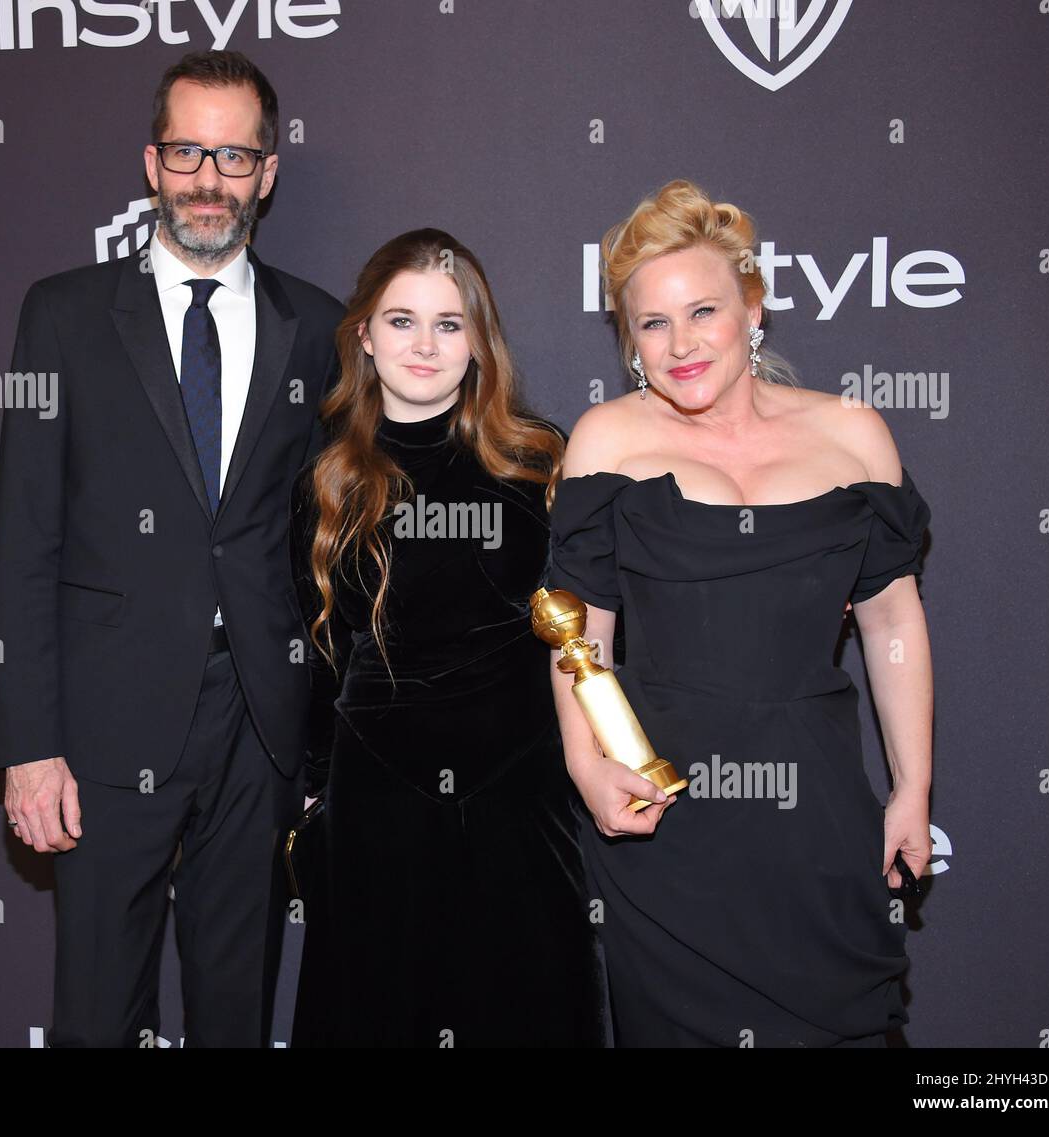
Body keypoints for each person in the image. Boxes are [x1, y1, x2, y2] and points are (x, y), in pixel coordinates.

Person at [0, 50, 344, 1047]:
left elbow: (323, 547)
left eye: (234, 156)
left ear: (267, 174)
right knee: (98, 1011)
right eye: (188, 150)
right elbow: (23, 537)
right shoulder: (60, 315)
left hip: (256, 721)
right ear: (152, 162)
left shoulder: (316, 328)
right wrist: (26, 746)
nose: (208, 178)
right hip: (101, 727)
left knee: (237, 1005)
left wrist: (317, 735)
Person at [546, 179, 934, 1047]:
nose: (680, 344)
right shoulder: (606, 440)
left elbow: (893, 624)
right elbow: (581, 633)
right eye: (653, 323)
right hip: (666, 820)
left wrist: (912, 787)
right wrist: (585, 762)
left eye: (704, 311)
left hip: (817, 817)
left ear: (753, 310)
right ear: (630, 340)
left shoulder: (853, 433)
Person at [288, 229, 609, 1047]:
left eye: (448, 323)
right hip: (375, 801)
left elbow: (587, 635)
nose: (424, 345)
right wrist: (320, 790)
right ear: (363, 335)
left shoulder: (540, 463)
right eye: (401, 321)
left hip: (518, 796)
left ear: (480, 340)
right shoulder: (327, 481)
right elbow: (317, 652)